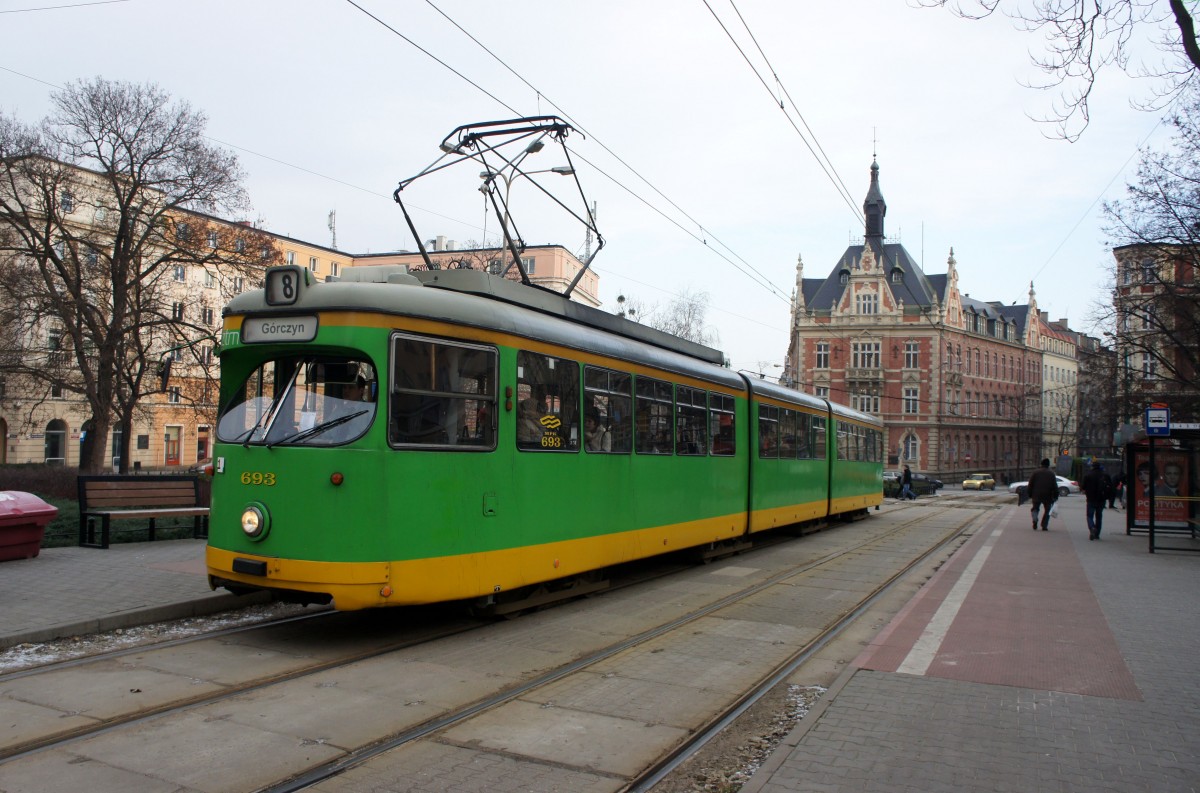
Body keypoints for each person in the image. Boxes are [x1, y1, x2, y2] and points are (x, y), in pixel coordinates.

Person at [1081, 461, 1112, 540]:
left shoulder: (1088, 475)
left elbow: (1083, 487)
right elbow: (1110, 486)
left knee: (1089, 515)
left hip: (1091, 499)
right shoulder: (1105, 475)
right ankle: (1097, 534)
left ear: (1092, 467)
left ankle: (1092, 528)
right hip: (1101, 499)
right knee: (1099, 516)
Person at [1027, 458, 1059, 531]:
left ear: (1041, 464)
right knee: (1047, 510)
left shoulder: (1035, 472)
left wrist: (1029, 494)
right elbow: (1055, 486)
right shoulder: (1051, 473)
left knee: (1035, 509)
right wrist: (1056, 496)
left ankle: (1035, 519)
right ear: (1048, 465)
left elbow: (1030, 484)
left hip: (1036, 494)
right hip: (1048, 495)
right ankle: (1044, 525)